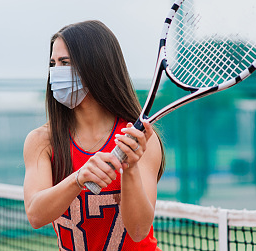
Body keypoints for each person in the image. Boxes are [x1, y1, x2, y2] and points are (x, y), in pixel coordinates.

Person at [23, 20, 165, 250]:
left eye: (65, 62)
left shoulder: (139, 140)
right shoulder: (42, 141)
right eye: (53, 63)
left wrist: (131, 167)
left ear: (95, 66)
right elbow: (36, 214)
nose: (56, 71)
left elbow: (138, 231)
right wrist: (78, 178)